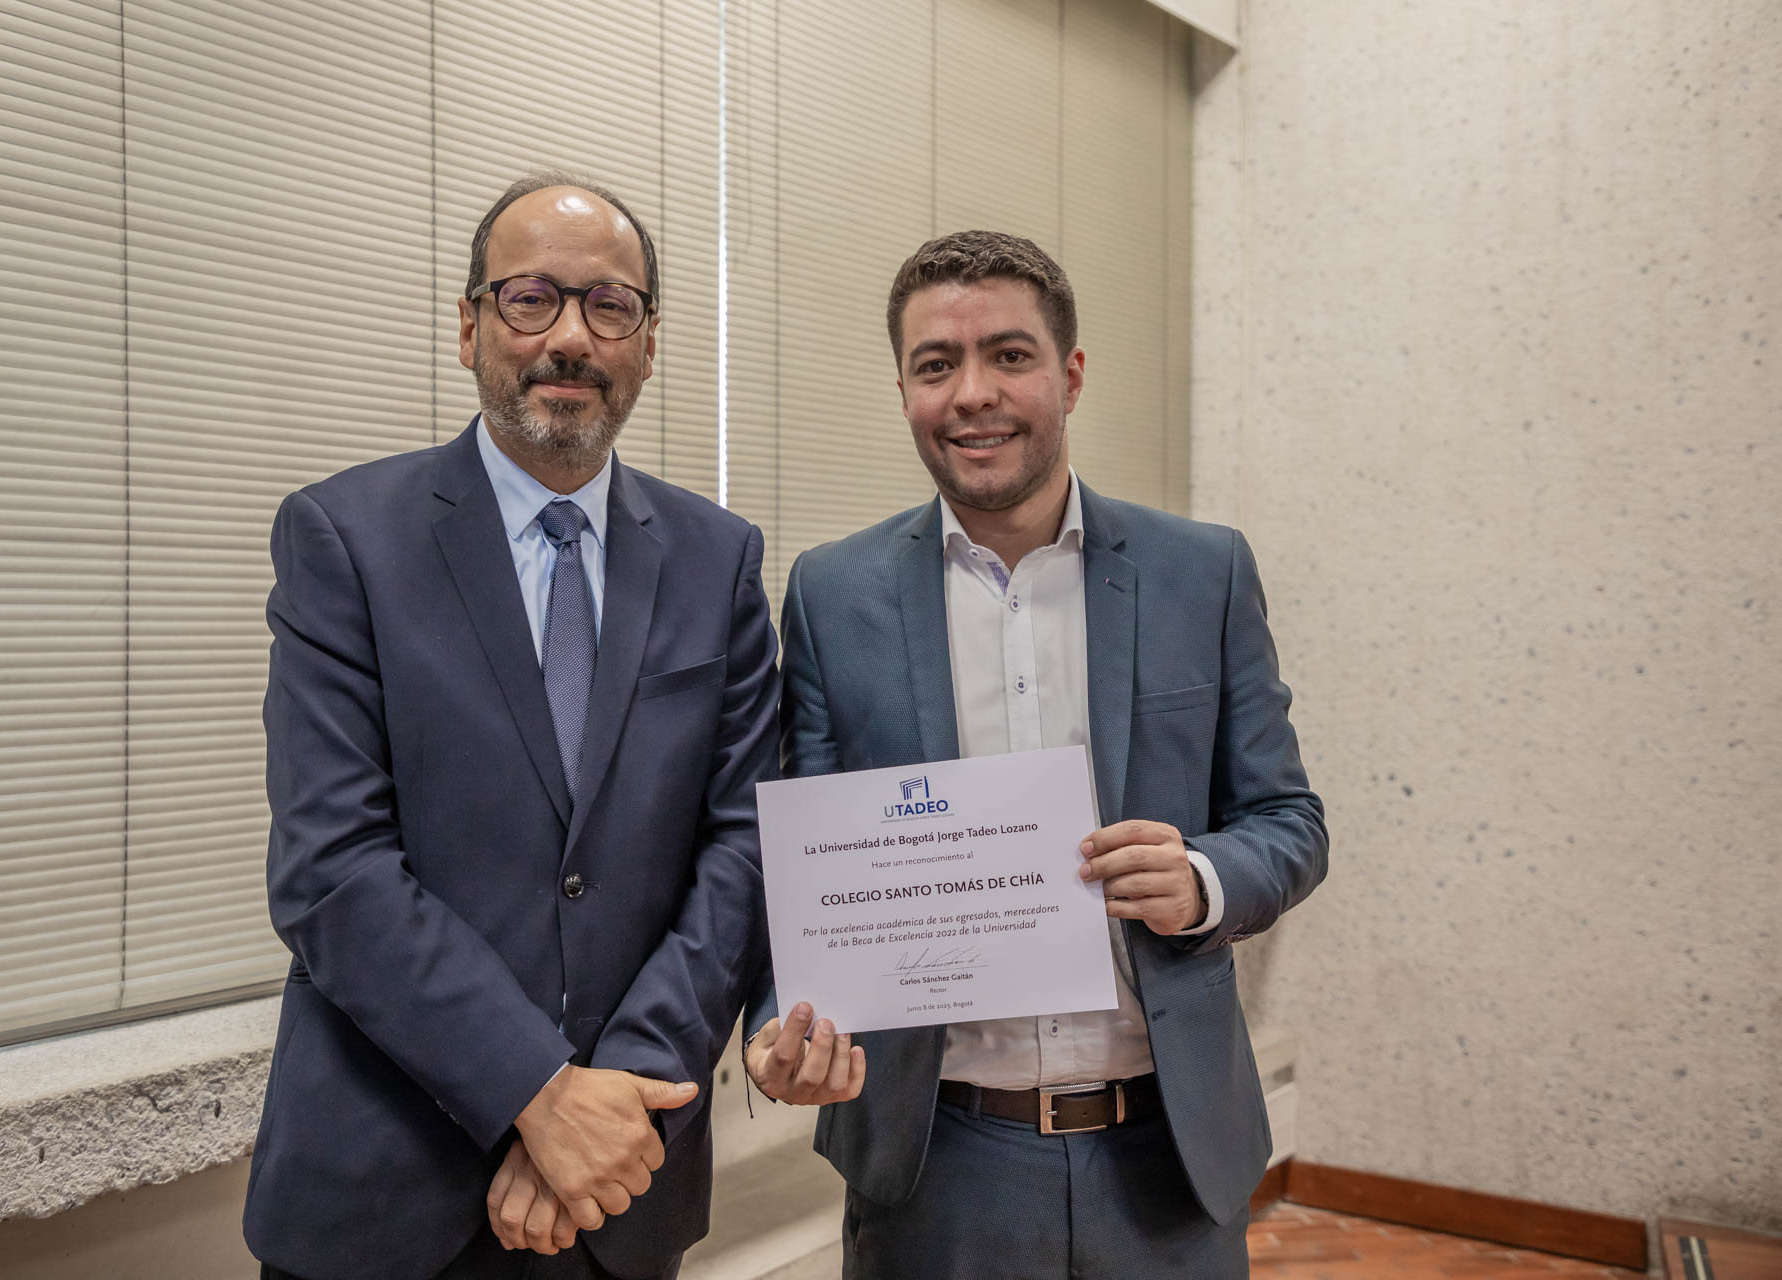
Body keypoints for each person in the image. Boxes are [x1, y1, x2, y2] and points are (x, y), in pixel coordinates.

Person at [745, 230, 1328, 1278]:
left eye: (1009, 355)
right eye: (936, 364)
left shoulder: (1203, 572)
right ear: (904, 389)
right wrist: (775, 1028)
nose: (973, 393)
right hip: (937, 1167)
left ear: (1072, 374)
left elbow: (1290, 823)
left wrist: (1200, 879)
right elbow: (805, 863)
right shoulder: (833, 593)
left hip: (1169, 1156)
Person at [243, 172, 778, 1280]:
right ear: (469, 326)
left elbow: (741, 848)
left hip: (625, 1183)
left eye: (610, 305)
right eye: (531, 298)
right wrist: (537, 1091)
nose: (570, 337)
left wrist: (612, 1099)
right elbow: (332, 867)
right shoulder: (344, 539)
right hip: (385, 1190)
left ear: (649, 342)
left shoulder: (717, 559)